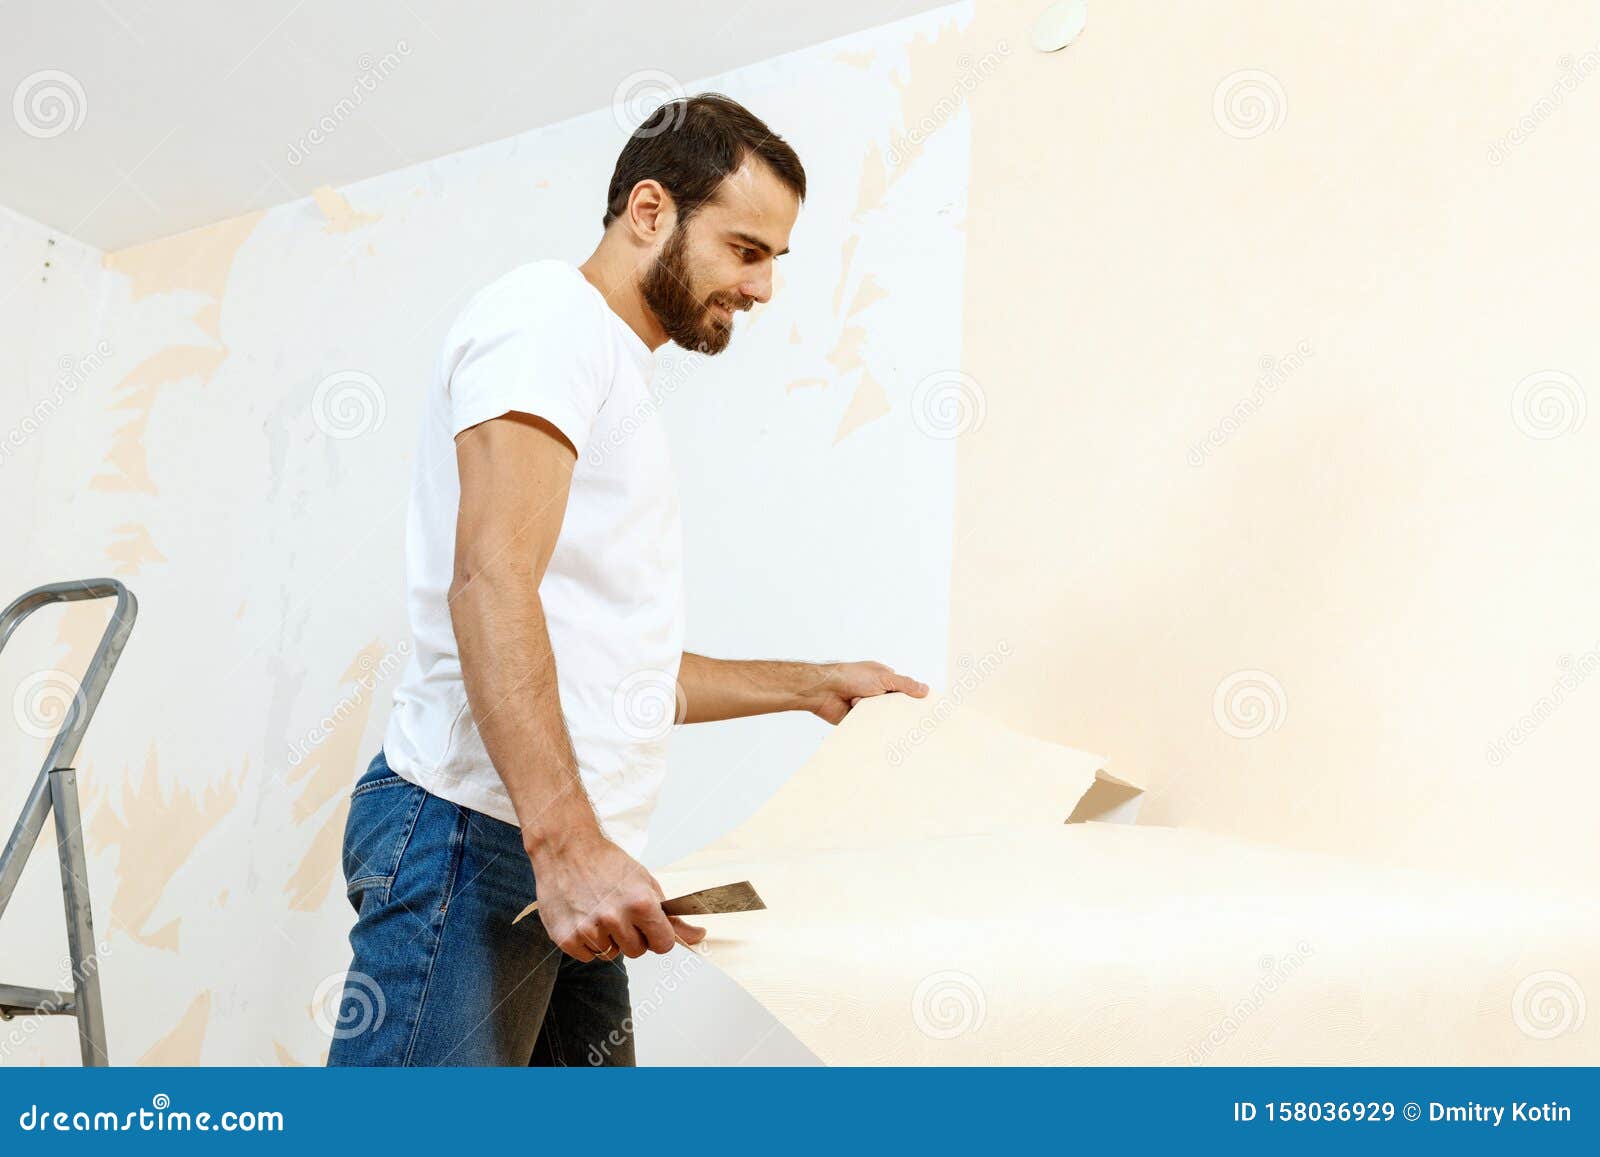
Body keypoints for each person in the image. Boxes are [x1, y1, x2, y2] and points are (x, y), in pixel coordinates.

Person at [326, 93, 927, 1067]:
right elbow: (489, 582)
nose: (764, 286)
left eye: (774, 257)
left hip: (561, 853)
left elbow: (623, 668)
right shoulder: (546, 318)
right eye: (745, 249)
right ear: (650, 210)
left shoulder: (609, 369)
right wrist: (564, 846)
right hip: (480, 835)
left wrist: (815, 684)